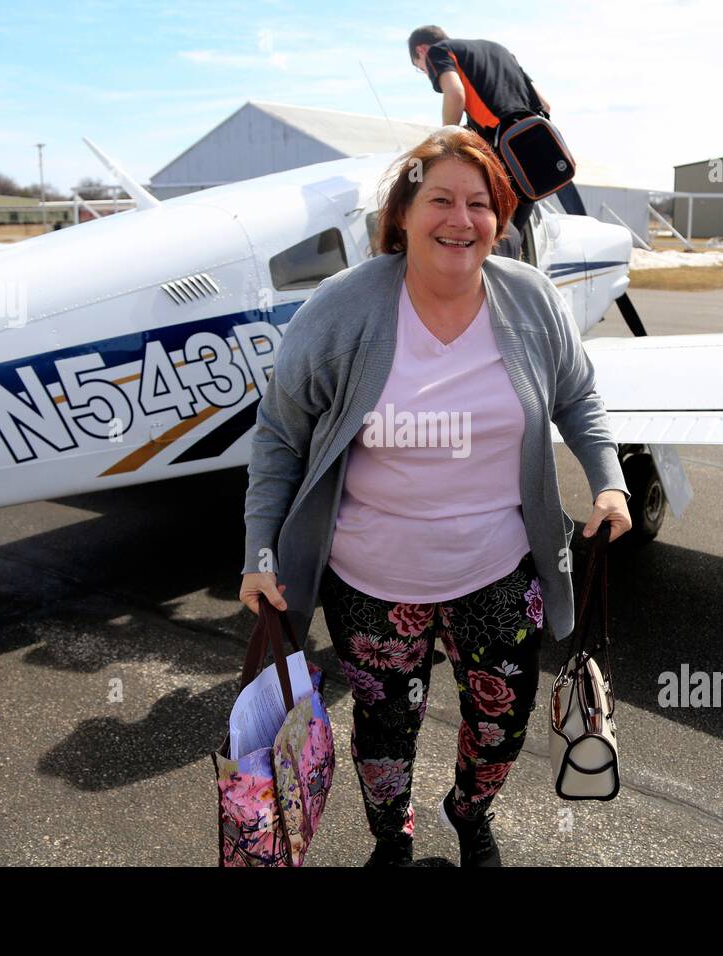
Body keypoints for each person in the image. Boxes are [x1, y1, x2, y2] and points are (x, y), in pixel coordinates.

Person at [238, 127, 632, 867]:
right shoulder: (342, 309)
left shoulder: (531, 299)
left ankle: (469, 813)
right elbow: (278, 438)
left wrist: (607, 478)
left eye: (480, 204)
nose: (461, 219)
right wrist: (261, 551)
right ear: (404, 215)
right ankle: (393, 840)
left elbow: (578, 396)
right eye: (441, 200)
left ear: (500, 218)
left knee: (500, 727)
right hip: (372, 582)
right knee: (384, 733)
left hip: (499, 571)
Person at [408, 25, 575, 259]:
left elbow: (455, 93)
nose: (428, 74)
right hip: (531, 159)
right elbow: (544, 104)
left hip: (502, 155)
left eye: (421, 69)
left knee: (492, 234)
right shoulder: (501, 51)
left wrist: (446, 140)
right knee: (511, 234)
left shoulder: (438, 52)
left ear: (421, 50)